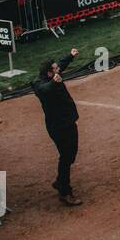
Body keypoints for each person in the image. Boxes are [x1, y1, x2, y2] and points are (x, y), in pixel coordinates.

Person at [32, 49, 83, 206]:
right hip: (58, 127)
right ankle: (65, 191)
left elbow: (61, 64)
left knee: (71, 154)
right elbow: (45, 90)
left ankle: (60, 181)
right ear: (49, 73)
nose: (58, 70)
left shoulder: (54, 73)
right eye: (54, 69)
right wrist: (55, 81)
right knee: (66, 157)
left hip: (69, 121)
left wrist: (71, 55)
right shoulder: (39, 84)